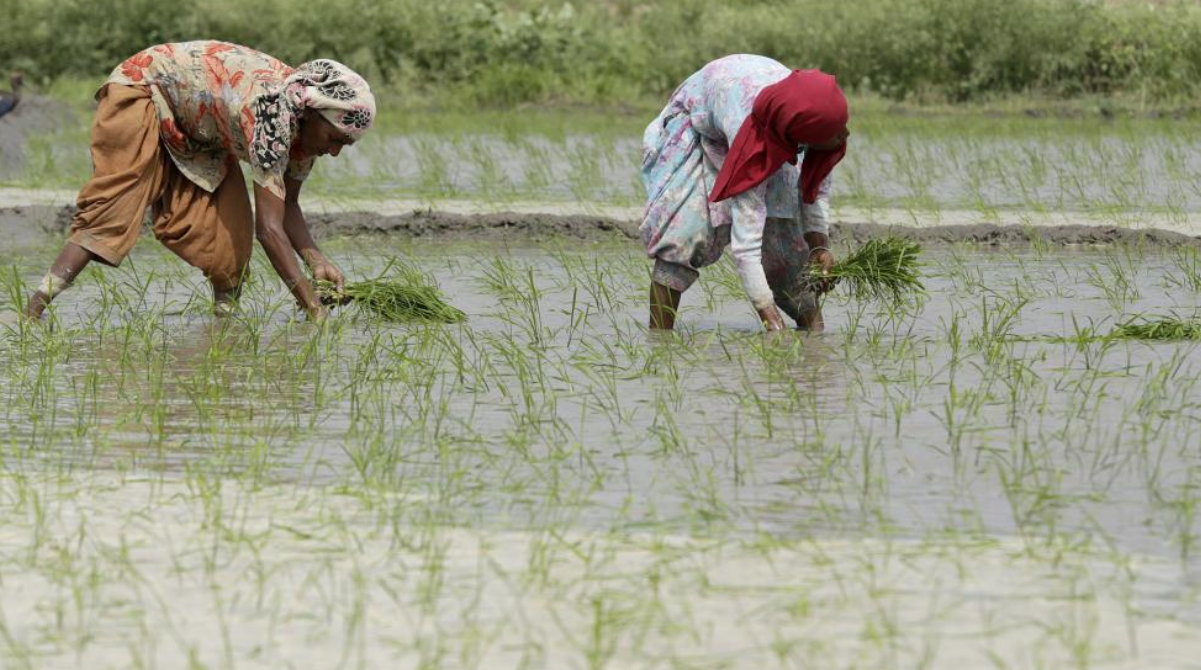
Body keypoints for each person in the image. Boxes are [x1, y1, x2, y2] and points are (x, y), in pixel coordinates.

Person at [23, 41, 376, 321]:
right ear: (313, 113)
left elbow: (288, 207)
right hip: (145, 90)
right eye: (335, 139)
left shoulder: (305, 138)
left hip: (200, 131)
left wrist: (316, 260)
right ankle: (34, 310)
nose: (334, 152)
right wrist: (313, 307)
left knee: (231, 243)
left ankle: (222, 332)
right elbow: (268, 229)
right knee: (113, 212)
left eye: (345, 145)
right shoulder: (272, 116)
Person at [640, 54, 849, 332]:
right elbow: (747, 242)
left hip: (766, 125)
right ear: (804, 135)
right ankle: (660, 343)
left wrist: (819, 247)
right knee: (685, 234)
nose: (844, 135)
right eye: (835, 133)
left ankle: (813, 336)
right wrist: (767, 314)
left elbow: (813, 190)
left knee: (788, 247)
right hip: (703, 126)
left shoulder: (813, 114)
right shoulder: (758, 134)